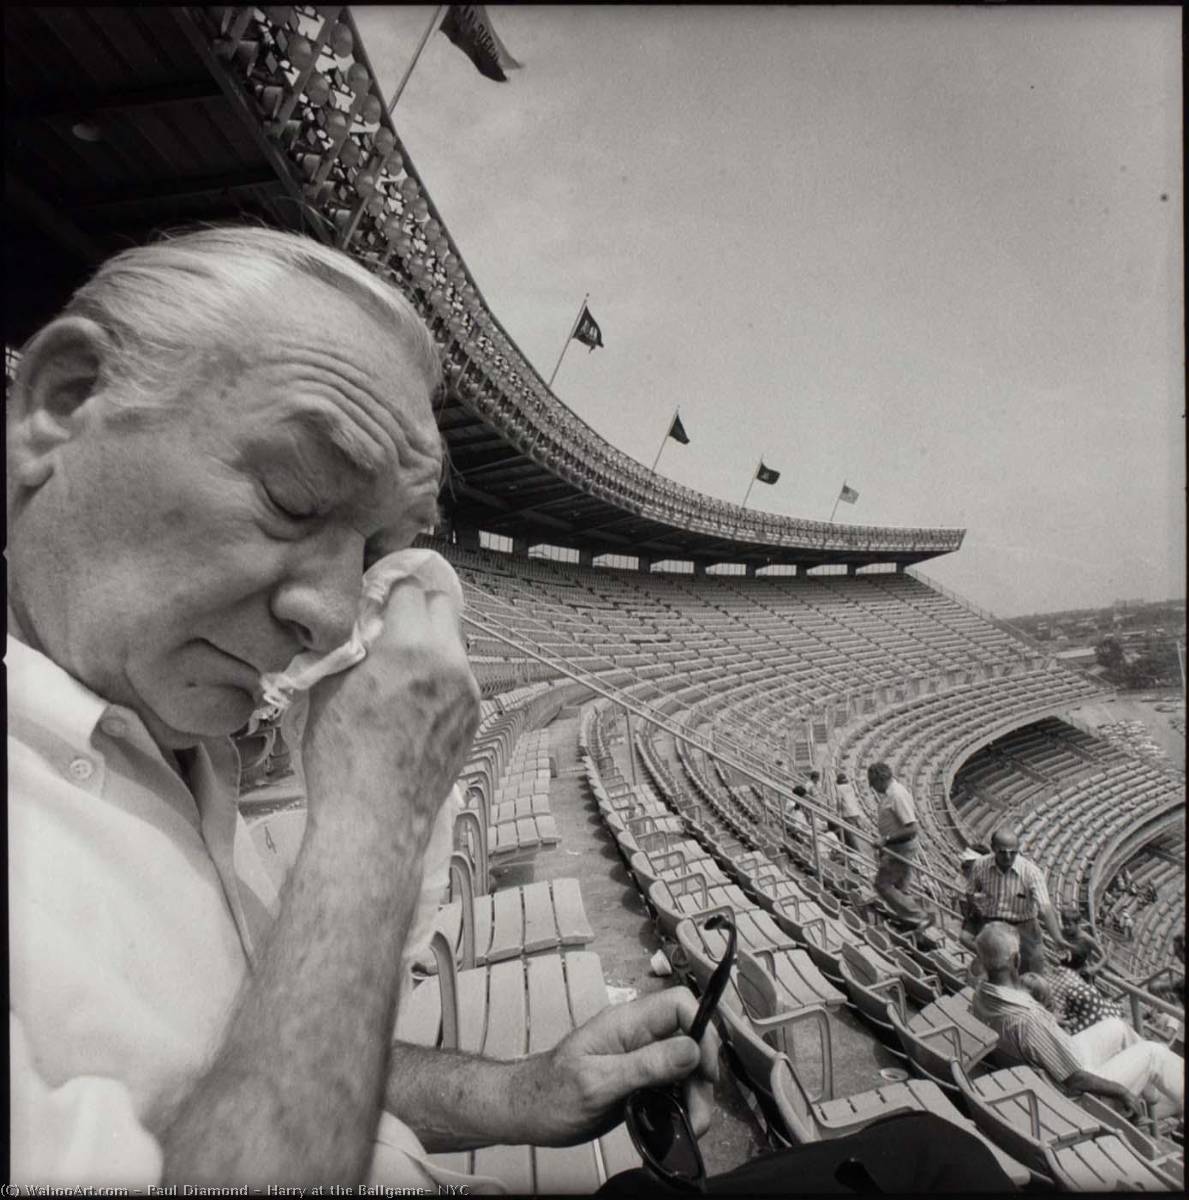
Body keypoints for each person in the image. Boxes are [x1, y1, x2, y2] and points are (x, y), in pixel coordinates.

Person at [7, 226, 1015, 1193]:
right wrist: (371, 825)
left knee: (927, 1155)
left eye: (375, 550)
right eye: (293, 497)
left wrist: (518, 1094)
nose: (330, 614)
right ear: (63, 401)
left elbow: (258, 1066)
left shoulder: (161, 739)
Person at [972, 924, 1184, 1120]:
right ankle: (1156, 1097)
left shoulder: (982, 994)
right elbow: (1075, 1079)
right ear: (1016, 960)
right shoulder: (1027, 1018)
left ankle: (1153, 1094)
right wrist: (1122, 1092)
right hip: (1077, 1094)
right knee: (1154, 1053)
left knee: (1117, 1027)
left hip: (1060, 1063)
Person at [963, 826, 1072, 975]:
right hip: (994, 925)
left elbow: (1045, 908)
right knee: (995, 970)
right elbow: (970, 891)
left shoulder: (1031, 872)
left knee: (1032, 970)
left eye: (1013, 852)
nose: (1008, 857)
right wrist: (975, 908)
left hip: (1024, 927)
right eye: (1003, 852)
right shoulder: (981, 865)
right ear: (993, 848)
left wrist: (1057, 938)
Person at [865, 761, 935, 934]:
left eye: (873, 784)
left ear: (880, 779)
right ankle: (910, 921)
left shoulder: (897, 795)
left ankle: (919, 917)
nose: (873, 788)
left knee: (883, 884)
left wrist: (885, 839)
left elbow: (912, 828)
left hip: (900, 848)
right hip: (896, 847)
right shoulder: (890, 794)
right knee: (900, 888)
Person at [833, 769, 862, 854]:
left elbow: (839, 801)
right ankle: (857, 850)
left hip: (847, 812)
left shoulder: (839, 788)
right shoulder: (850, 786)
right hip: (855, 811)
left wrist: (838, 812)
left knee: (850, 834)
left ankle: (857, 852)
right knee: (854, 832)